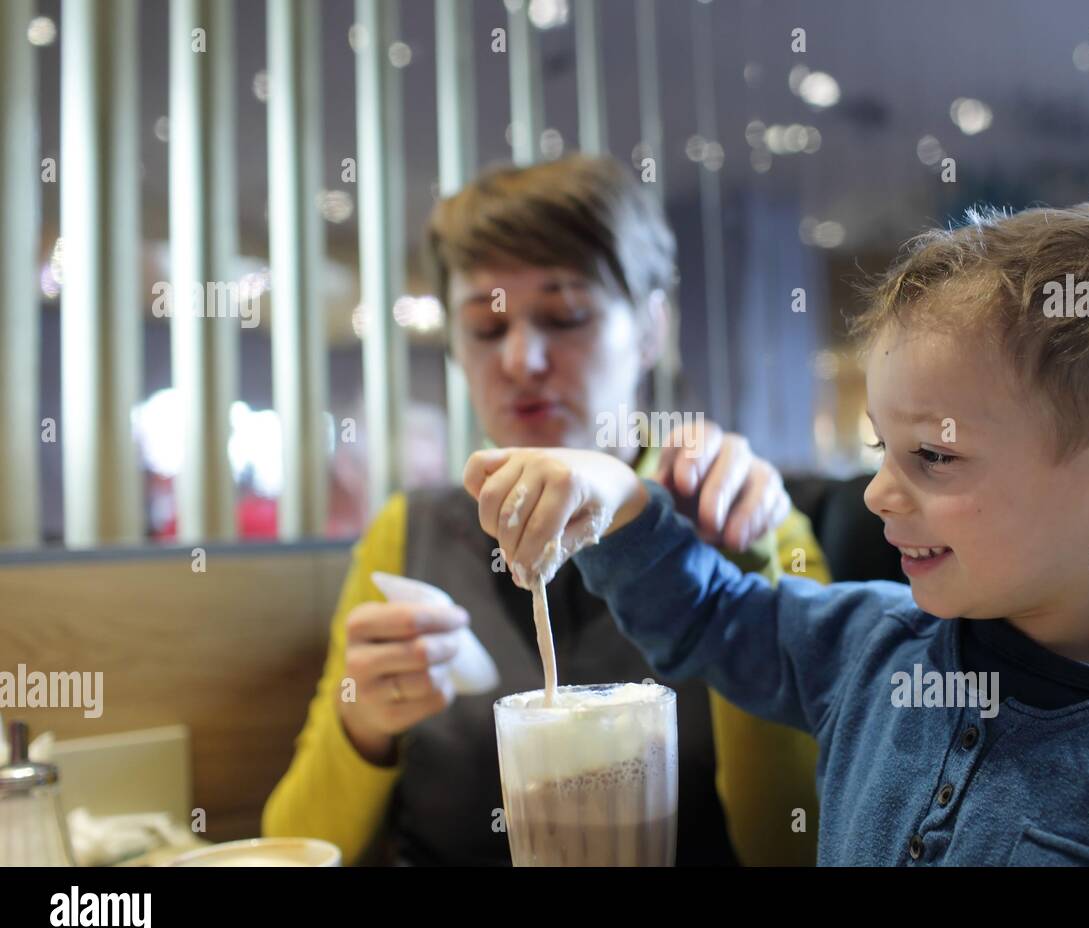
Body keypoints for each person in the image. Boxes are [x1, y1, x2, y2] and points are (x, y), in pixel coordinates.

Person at [466, 197, 1089, 864]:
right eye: (881, 450)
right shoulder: (865, 648)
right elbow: (708, 616)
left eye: (934, 456)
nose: (877, 496)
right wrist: (618, 495)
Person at [263, 154, 828, 866]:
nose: (523, 359)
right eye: (487, 328)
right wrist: (361, 724)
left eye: (565, 317)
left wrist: (742, 572)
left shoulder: (740, 517)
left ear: (652, 329)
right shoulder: (410, 535)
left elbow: (800, 843)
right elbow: (291, 843)